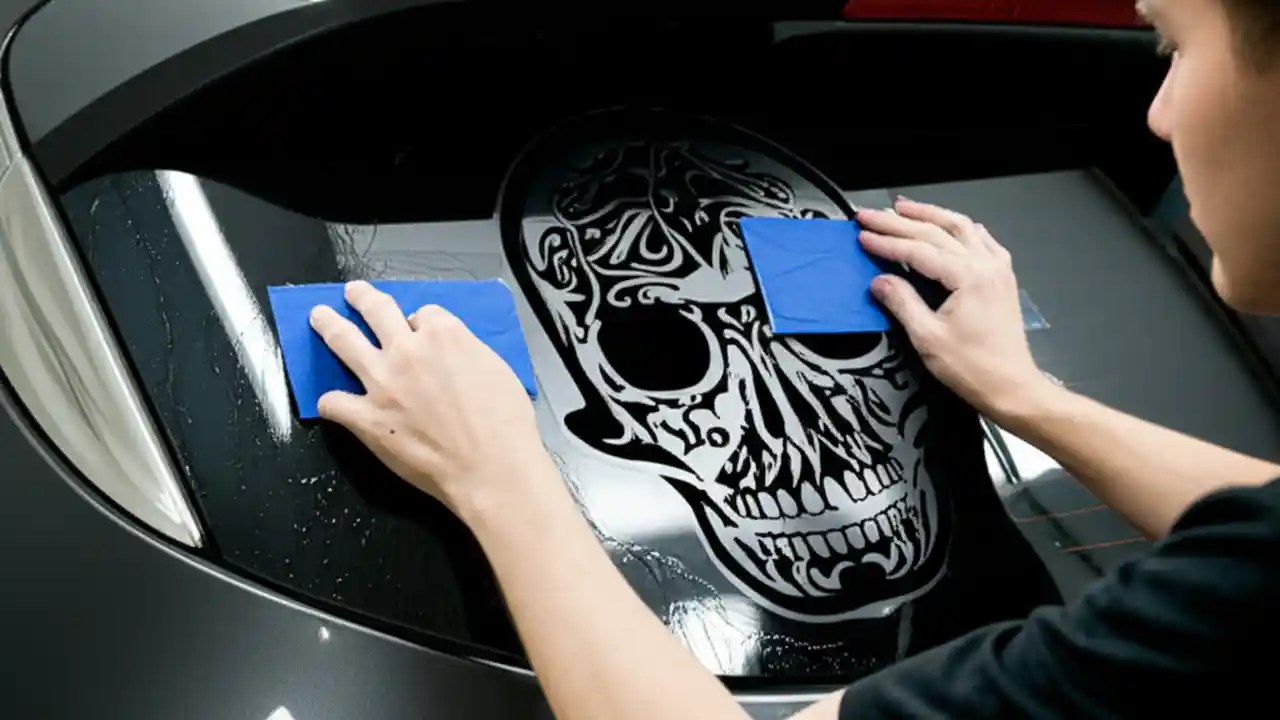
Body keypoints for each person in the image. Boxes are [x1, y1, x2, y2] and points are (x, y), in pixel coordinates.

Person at [306, 0, 1280, 716]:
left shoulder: (1189, 628)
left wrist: (501, 477)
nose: (1156, 115)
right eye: (661, 351)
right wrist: (1023, 395)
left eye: (1172, 48)